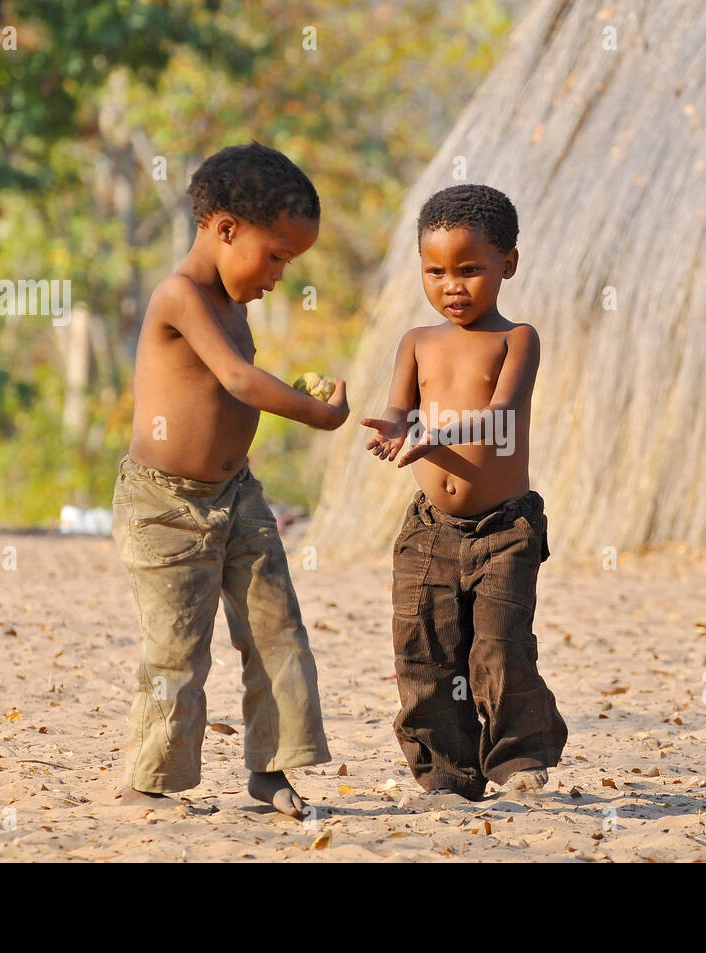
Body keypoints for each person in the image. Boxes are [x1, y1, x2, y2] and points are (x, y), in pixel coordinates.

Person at [113, 143, 347, 817]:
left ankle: (271, 770)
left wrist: (298, 387)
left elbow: (235, 395)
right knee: (178, 647)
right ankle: (147, 781)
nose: (279, 274)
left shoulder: (234, 305)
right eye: (275, 255)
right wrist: (315, 411)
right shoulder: (179, 296)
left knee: (277, 627)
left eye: (289, 262)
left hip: (237, 495)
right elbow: (240, 380)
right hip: (164, 506)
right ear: (223, 229)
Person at [361, 184, 567, 802]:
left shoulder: (518, 338)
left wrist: (433, 433)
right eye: (436, 271)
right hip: (429, 528)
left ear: (509, 264)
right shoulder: (416, 342)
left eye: (471, 270)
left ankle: (517, 760)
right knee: (422, 647)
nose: (452, 285)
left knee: (500, 648)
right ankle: (448, 773)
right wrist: (393, 431)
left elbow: (501, 413)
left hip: (504, 528)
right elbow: (400, 411)